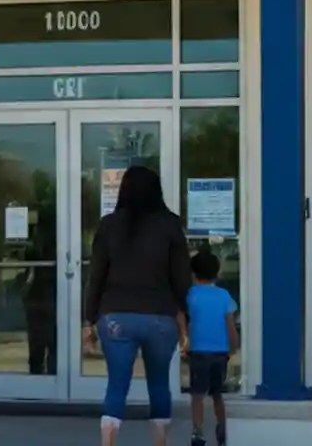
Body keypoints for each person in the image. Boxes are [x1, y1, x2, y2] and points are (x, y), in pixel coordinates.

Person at [82, 165, 193, 446]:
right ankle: (159, 442)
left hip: (115, 316)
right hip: (160, 316)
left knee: (116, 386)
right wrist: (185, 317)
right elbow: (181, 278)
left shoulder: (108, 225)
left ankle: (108, 443)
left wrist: (88, 320)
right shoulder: (170, 225)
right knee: (159, 385)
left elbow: (96, 276)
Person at [185, 250, 238, 446]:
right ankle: (222, 428)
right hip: (219, 352)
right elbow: (229, 324)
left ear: (193, 273)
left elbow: (187, 323)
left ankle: (198, 433)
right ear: (217, 273)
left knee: (197, 395)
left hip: (198, 351)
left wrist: (185, 342)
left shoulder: (190, 295)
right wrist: (233, 346)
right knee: (217, 394)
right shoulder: (223, 295)